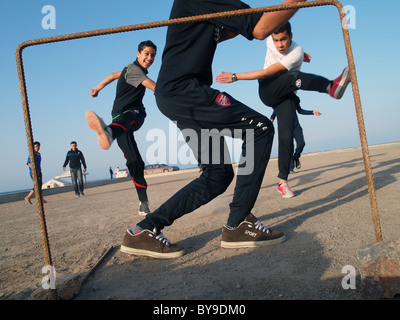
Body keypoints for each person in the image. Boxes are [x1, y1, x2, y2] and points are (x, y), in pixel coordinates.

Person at [118, 0, 309, 259]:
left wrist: (247, 24)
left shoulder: (203, 7)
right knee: (261, 128)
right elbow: (261, 29)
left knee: (217, 175)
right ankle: (238, 224)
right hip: (186, 91)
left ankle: (143, 230)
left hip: (176, 95)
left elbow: (231, 31)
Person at [216, 22, 351, 198]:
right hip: (268, 90)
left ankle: (283, 182)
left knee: (286, 136)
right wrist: (235, 76)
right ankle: (330, 87)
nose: (279, 45)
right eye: (276, 40)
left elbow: (290, 58)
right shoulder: (271, 43)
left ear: (291, 37)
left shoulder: (297, 52)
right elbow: (266, 72)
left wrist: (301, 56)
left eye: (284, 39)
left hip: (286, 94)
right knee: (292, 77)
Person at [87, 40, 157, 215]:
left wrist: (98, 88)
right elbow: (155, 88)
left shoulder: (128, 70)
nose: (149, 58)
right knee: (135, 161)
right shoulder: (135, 70)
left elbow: (112, 75)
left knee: (124, 121)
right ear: (138, 53)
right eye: (146, 53)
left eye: (153, 55)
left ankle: (109, 132)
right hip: (127, 116)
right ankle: (143, 202)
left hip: (123, 118)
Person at [270, 106, 321, 176]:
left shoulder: (293, 101)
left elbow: (300, 111)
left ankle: (296, 158)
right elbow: (274, 114)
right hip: (286, 129)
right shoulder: (280, 104)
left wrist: (312, 112)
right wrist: (271, 120)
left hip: (296, 127)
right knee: (290, 147)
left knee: (301, 143)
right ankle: (291, 168)